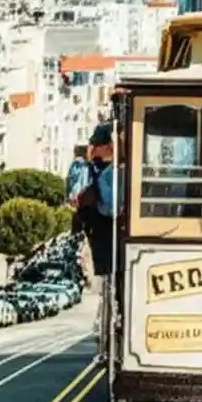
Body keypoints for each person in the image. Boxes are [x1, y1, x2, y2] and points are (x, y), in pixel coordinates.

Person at [73, 122, 118, 361]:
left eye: (95, 144)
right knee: (111, 281)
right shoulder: (105, 171)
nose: (92, 148)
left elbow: (108, 205)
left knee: (110, 281)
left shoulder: (102, 172)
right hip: (104, 231)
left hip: (101, 232)